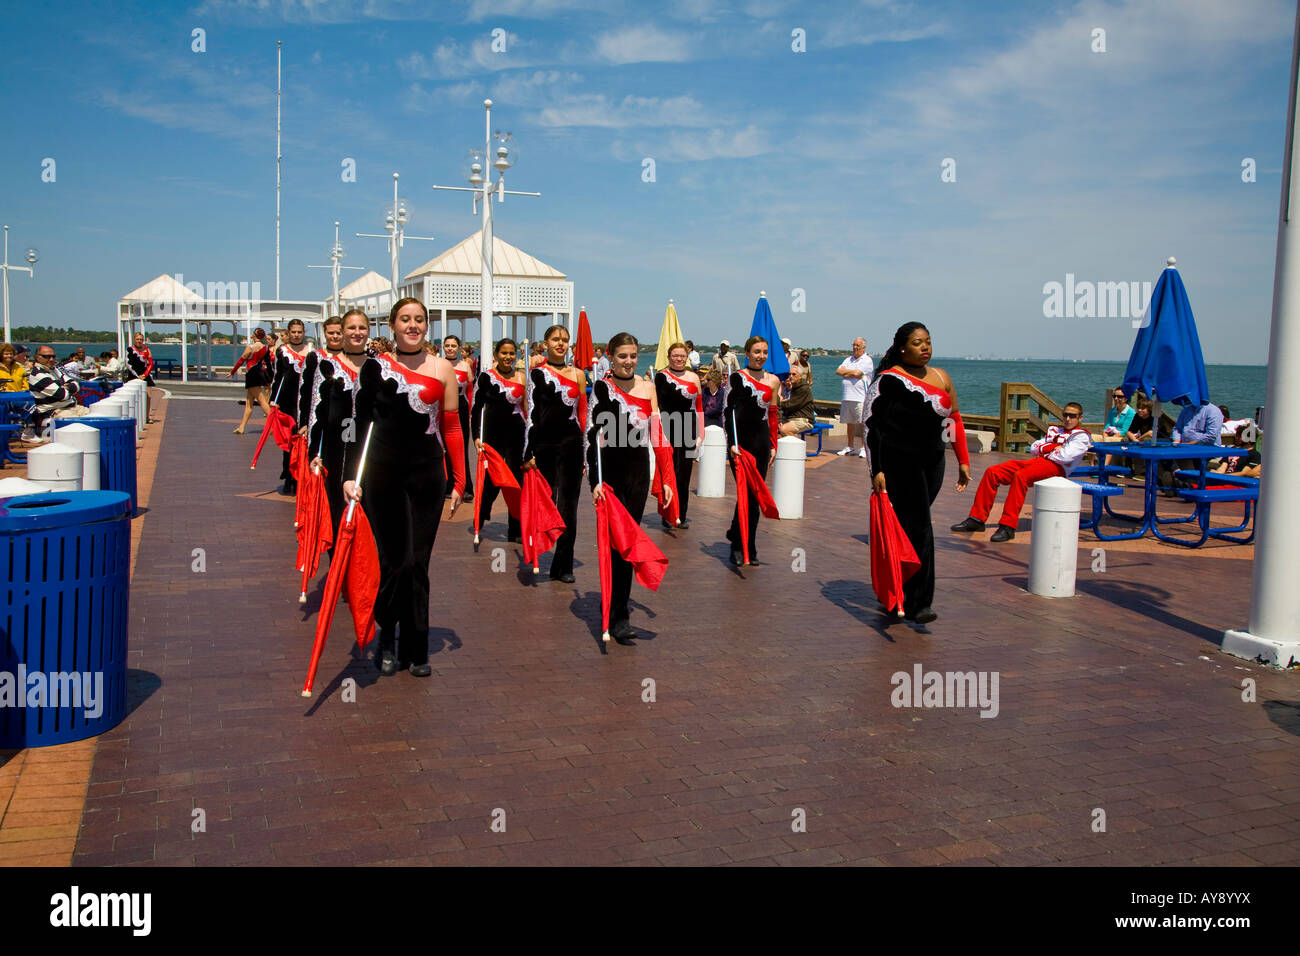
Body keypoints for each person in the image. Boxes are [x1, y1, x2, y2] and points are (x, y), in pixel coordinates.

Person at [342, 297, 465, 678]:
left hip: (427, 476)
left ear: (426, 326)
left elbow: (452, 427)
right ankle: (387, 636)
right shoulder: (375, 369)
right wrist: (350, 475)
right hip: (383, 476)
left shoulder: (444, 369)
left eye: (419, 320)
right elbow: (357, 426)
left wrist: (459, 479)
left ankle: (417, 646)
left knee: (418, 562)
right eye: (405, 320)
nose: (412, 326)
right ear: (392, 325)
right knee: (394, 562)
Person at [866, 323, 970, 623]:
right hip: (899, 462)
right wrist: (876, 469)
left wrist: (963, 460)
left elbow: (955, 420)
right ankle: (919, 602)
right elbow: (871, 427)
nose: (925, 347)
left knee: (910, 528)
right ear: (902, 347)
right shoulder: (888, 381)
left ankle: (894, 584)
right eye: (917, 343)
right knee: (922, 526)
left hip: (934, 462)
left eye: (928, 342)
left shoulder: (942, 377)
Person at [589, 332, 674, 642]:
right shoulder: (602, 388)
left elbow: (658, 436)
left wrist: (666, 477)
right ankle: (614, 609)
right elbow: (592, 435)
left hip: (638, 472)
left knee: (629, 542)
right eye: (622, 356)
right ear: (611, 356)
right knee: (613, 544)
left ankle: (618, 609)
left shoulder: (648, 388)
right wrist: (594, 481)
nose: (628, 361)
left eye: (633, 356)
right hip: (609, 474)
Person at [953, 403, 1090, 543]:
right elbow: (1034, 447)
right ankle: (977, 519)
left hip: (1057, 469)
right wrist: (1054, 448)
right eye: (1065, 415)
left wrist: (1044, 449)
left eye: (1072, 416)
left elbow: (1065, 457)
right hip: (1037, 462)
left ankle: (1008, 526)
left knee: (1021, 477)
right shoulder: (1056, 431)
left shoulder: (1081, 437)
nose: (1067, 418)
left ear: (1080, 418)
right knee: (993, 472)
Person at [523, 324, 588, 583]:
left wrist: (587, 452)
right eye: (555, 339)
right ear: (546, 343)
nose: (560, 344)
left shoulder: (579, 375)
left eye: (564, 340)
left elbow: (584, 415)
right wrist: (527, 451)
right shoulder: (537, 373)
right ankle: (540, 548)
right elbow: (531, 414)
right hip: (545, 447)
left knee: (569, 507)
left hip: (572, 445)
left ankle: (564, 565)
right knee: (546, 502)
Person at [304, 311, 366, 549]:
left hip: (368, 445)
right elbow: (316, 411)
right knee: (338, 505)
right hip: (336, 444)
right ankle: (338, 563)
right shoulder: (328, 366)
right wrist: (313, 452)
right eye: (351, 328)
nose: (356, 333)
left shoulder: (378, 365)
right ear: (342, 331)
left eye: (362, 327)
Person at [724, 336, 782, 566]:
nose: (761, 356)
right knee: (744, 494)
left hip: (761, 443)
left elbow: (773, 414)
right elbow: (727, 411)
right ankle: (740, 546)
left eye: (765, 352)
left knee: (755, 495)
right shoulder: (737, 378)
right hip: (740, 444)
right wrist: (731, 443)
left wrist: (774, 444)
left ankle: (744, 540)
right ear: (746, 354)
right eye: (756, 352)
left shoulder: (774, 381)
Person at [472, 337, 527, 543]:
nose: (508, 357)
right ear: (496, 355)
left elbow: (526, 408)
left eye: (511, 353)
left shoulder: (522, 378)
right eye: (504, 353)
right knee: (490, 481)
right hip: (493, 436)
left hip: (516, 435)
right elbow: (477, 408)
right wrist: (477, 435)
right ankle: (481, 517)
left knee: (516, 482)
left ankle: (516, 528)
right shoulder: (486, 377)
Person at [654, 342, 703, 530]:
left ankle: (681, 513)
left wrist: (701, 433)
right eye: (675, 355)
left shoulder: (694, 378)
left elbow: (699, 408)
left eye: (682, 356)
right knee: (669, 472)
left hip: (688, 431)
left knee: (685, 473)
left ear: (687, 357)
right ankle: (667, 513)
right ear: (669, 357)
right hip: (667, 430)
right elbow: (655, 407)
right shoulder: (660, 377)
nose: (679, 359)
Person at [269, 319, 312, 496]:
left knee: (304, 441)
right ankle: (288, 475)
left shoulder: (311, 352)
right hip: (288, 402)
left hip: (306, 401)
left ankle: (301, 476)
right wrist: (273, 399)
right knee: (289, 442)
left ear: (303, 332)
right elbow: (278, 376)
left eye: (299, 332)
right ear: (288, 332)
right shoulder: (282, 351)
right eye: (293, 332)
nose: (296, 335)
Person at [442, 335, 476, 503]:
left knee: (461, 448)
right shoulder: (438, 365)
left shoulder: (465, 365)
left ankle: (465, 486)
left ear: (458, 348)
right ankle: (446, 486)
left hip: (460, 408)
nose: (450, 348)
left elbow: (470, 390)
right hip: (442, 409)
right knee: (444, 448)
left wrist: (470, 413)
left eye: (453, 345)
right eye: (447, 345)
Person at [26, 345, 86, 440]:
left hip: (72, 407)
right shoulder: (37, 374)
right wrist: (67, 388)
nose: (51, 359)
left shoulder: (54, 370)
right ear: (37, 357)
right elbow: (62, 395)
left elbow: (76, 384)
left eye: (53, 356)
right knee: (81, 428)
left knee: (96, 418)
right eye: (47, 356)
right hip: (54, 412)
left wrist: (65, 388)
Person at [229, 329, 274, 434]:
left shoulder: (251, 347)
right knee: (249, 404)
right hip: (258, 373)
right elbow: (268, 363)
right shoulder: (265, 348)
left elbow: (242, 359)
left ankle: (273, 426)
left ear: (254, 336)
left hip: (252, 374)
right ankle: (242, 427)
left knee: (262, 401)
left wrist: (233, 371)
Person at [836, 336, 873, 458]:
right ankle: (850, 446)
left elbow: (858, 373)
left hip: (860, 397)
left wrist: (847, 372)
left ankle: (863, 448)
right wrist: (851, 372)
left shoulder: (867, 360)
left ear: (863, 347)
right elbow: (838, 371)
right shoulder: (848, 359)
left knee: (863, 424)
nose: (855, 347)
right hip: (847, 397)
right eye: (854, 345)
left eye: (858, 345)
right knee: (849, 423)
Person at [126, 332, 157, 424]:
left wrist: (145, 374)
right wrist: (137, 375)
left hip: (144, 374)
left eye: (141, 339)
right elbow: (128, 364)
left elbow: (150, 363)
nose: (139, 341)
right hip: (133, 374)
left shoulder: (147, 349)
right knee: (132, 395)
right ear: (134, 339)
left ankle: (147, 416)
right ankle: (132, 415)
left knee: (148, 396)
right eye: (137, 339)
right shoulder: (130, 349)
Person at [779, 363, 816, 437]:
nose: (791, 376)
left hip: (804, 419)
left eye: (794, 374)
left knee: (784, 429)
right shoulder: (795, 387)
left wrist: (778, 402)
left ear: (800, 376)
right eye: (789, 374)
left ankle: (798, 447)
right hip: (792, 418)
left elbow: (790, 405)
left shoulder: (803, 388)